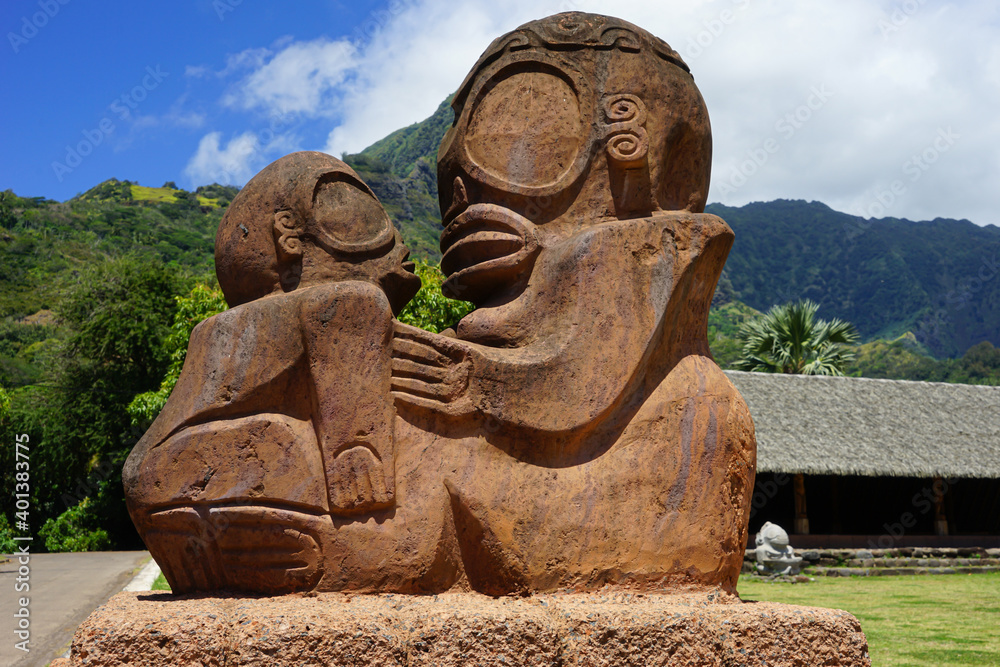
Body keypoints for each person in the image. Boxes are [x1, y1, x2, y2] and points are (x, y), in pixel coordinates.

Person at [123, 152, 420, 593]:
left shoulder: (228, 329)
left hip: (177, 502)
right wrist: (356, 455)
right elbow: (361, 481)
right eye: (350, 207)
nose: (396, 238)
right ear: (288, 234)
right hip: (213, 496)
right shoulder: (343, 303)